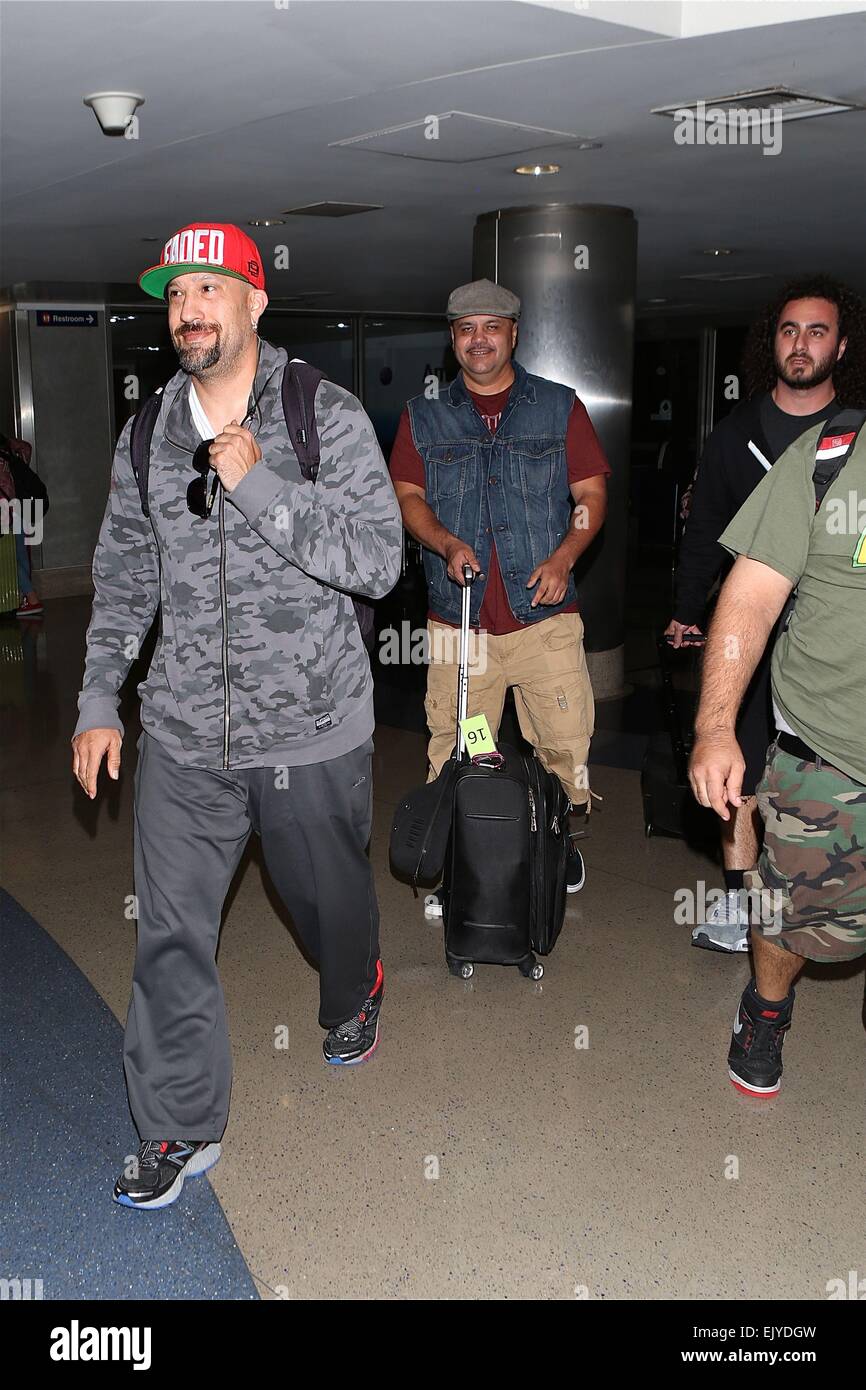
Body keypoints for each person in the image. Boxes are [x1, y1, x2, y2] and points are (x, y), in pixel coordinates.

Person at [72, 223, 402, 1208]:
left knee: (323, 906)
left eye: (210, 289)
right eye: (175, 296)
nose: (188, 311)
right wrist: (100, 696)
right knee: (169, 932)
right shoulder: (146, 435)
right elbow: (126, 577)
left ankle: (357, 986)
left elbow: (378, 561)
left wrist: (258, 484)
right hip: (182, 738)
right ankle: (176, 1125)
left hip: (309, 727)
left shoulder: (321, 414)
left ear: (256, 302)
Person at [390, 280, 609, 892]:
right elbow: (408, 497)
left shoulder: (558, 406)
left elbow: (591, 495)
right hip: (461, 635)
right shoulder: (424, 415)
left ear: (515, 333)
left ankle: (558, 846)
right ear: (452, 339)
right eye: (465, 328)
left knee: (565, 750)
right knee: (463, 747)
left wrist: (566, 556)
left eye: (491, 327)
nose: (478, 340)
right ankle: (465, 859)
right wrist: (445, 542)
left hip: (544, 624)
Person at [665, 277, 862, 952]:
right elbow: (704, 531)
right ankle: (742, 901)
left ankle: (815, 891)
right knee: (739, 767)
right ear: (769, 342)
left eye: (816, 331)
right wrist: (687, 609)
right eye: (788, 330)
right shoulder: (735, 436)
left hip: (827, 644)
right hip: (747, 633)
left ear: (840, 346)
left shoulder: (853, 440)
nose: (800, 344)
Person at [689, 404, 866, 1097]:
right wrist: (715, 725)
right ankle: (766, 1007)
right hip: (831, 750)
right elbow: (753, 594)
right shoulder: (834, 456)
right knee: (793, 918)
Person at [0, 433, 46, 617]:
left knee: (9, 555)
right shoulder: (6, 444)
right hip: (17, 502)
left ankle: (31, 597)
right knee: (19, 552)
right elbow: (26, 447)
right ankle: (25, 598)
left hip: (3, 507)